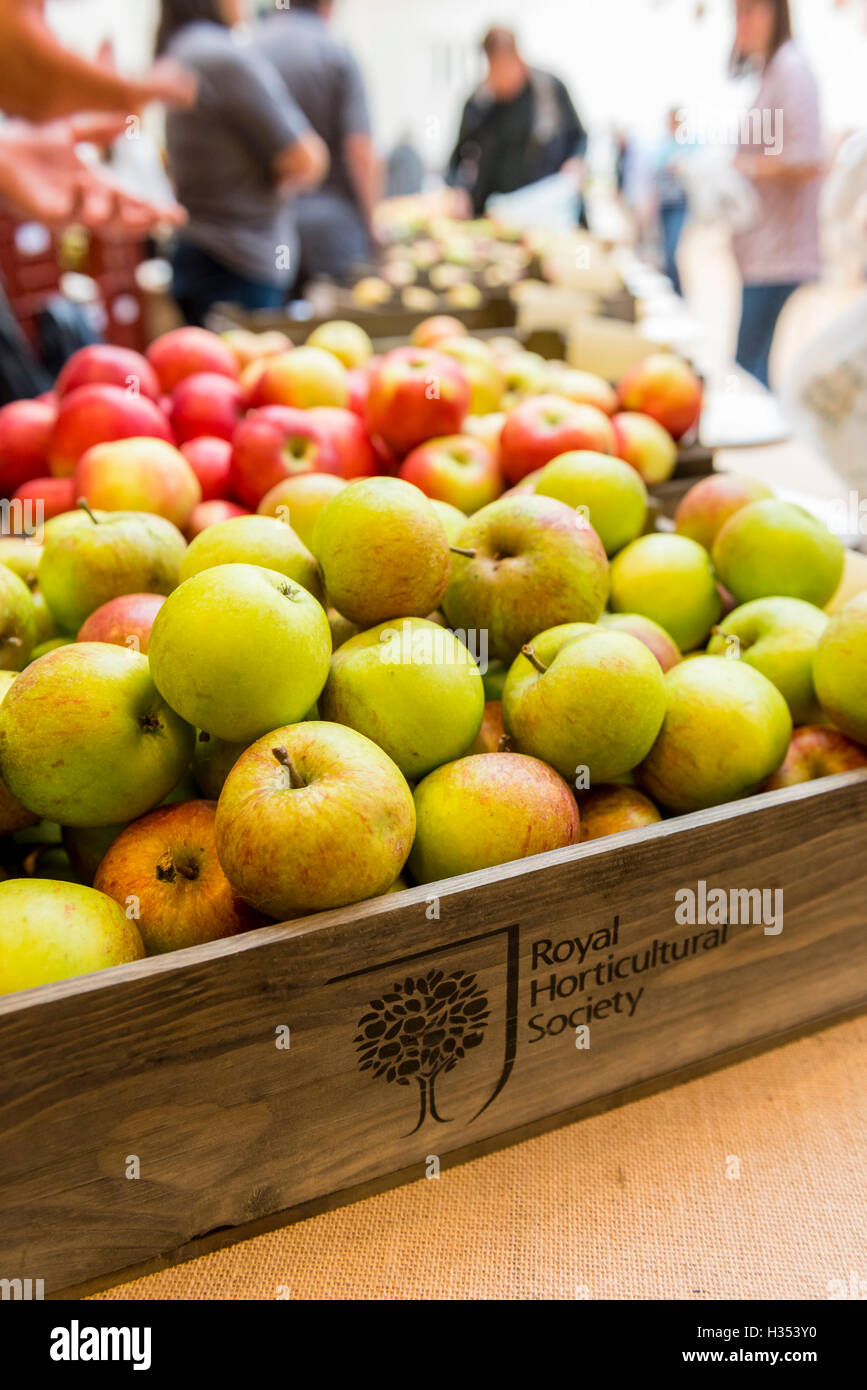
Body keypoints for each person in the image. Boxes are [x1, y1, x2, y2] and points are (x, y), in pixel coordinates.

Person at [157, 0, 328, 326]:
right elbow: (307, 158)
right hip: (240, 263)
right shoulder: (224, 57)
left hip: (195, 250)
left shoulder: (178, 49)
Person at [730, 0, 824, 388]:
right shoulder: (770, 73)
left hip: (779, 254)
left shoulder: (790, 69)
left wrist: (744, 168)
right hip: (762, 250)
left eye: (752, 11)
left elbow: (807, 158)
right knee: (751, 364)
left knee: (747, 367)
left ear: (776, 14)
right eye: (737, 13)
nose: (742, 23)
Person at [254, 0, 378, 286]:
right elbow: (359, 149)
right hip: (332, 228)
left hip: (268, 229)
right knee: (338, 323)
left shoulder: (250, 50)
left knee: (275, 327)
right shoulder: (336, 52)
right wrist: (372, 225)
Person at [446, 27, 588, 219]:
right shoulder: (479, 103)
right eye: (495, 69)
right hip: (492, 214)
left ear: (518, 59)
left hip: (546, 213)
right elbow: (457, 158)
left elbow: (578, 136)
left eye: (506, 68)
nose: (501, 79)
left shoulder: (549, 89)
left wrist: (575, 160)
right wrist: (459, 191)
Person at [654, 109, 689, 296]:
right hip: (663, 204)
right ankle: (671, 291)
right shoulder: (662, 145)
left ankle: (678, 292)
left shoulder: (689, 144)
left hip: (680, 204)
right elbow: (654, 176)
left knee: (672, 249)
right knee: (664, 249)